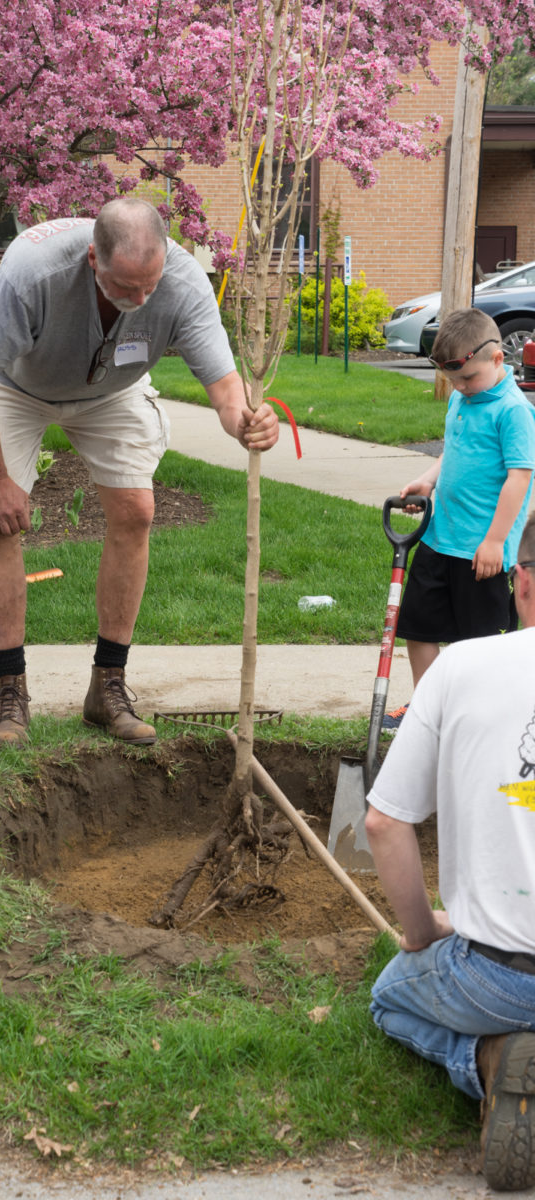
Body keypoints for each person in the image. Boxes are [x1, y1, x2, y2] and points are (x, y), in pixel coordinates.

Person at [0, 197, 280, 749]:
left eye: (148, 286)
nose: (139, 301)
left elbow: (225, 390)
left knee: (136, 511)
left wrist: (246, 421)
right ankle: (10, 692)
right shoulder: (32, 273)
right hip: (13, 385)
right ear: (93, 260)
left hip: (113, 389)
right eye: (124, 287)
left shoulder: (181, 282)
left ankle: (107, 687)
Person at [366, 511, 535, 1191]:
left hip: (499, 976)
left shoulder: (461, 665)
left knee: (389, 999)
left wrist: (423, 931)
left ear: (521, 583)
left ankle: (491, 1059)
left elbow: (382, 824)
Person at [382, 307, 535, 734]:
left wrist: (495, 541)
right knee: (419, 625)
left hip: (481, 551)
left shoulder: (513, 411)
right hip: (439, 537)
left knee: (479, 644)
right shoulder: (460, 399)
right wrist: (428, 481)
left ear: (499, 360)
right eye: (456, 382)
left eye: (469, 379)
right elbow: (452, 452)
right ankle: (427, 709)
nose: (463, 389)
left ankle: (478, 719)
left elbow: (519, 480)